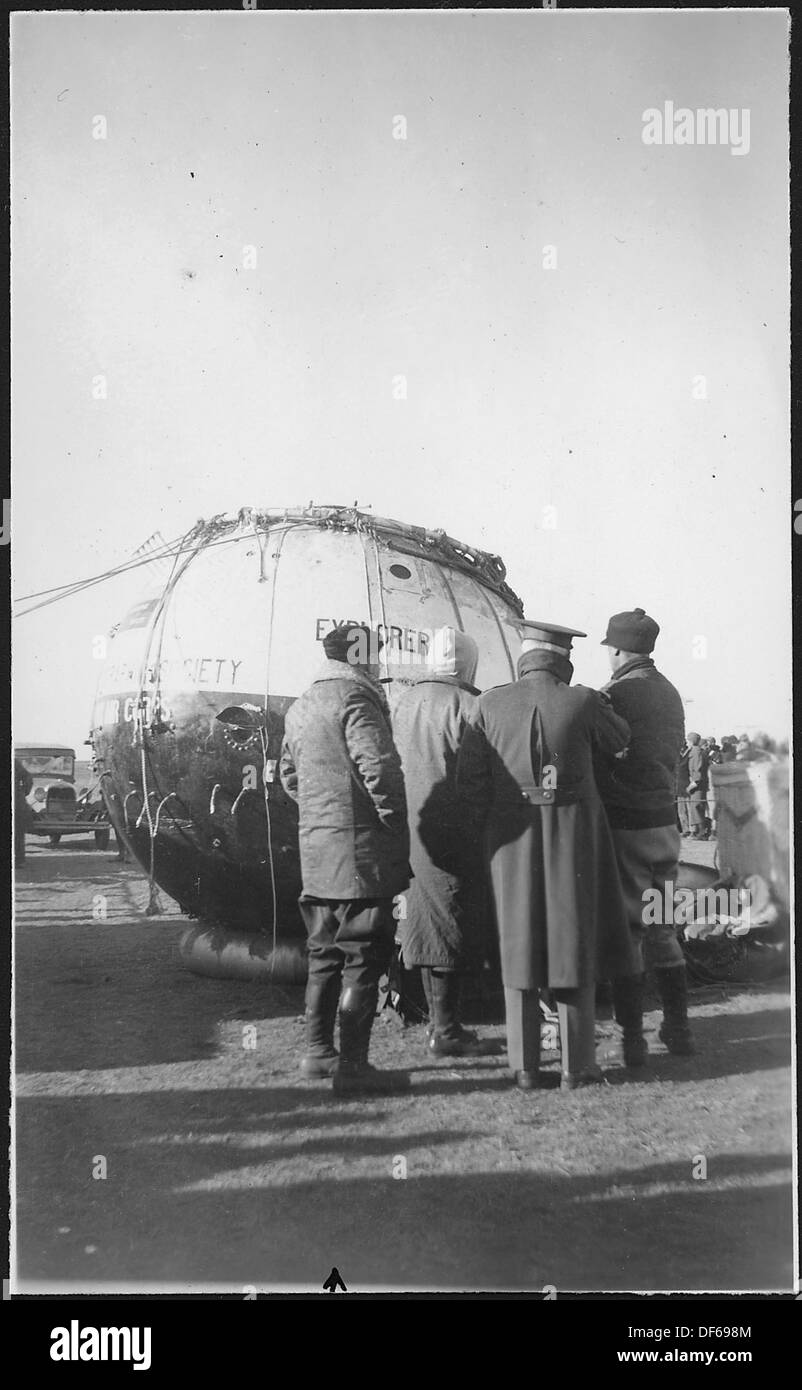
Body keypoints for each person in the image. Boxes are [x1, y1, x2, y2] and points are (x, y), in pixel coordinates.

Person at [458, 620, 639, 1090]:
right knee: (572, 940)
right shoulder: (582, 700)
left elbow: (469, 782)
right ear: (563, 657)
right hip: (574, 835)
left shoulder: (488, 703)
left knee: (517, 944)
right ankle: (576, 1065)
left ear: (524, 656)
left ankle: (524, 1066)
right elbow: (621, 740)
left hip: (509, 838)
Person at [279, 622, 411, 1095]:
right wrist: (394, 821)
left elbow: (288, 777)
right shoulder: (357, 700)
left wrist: (323, 815)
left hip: (317, 855)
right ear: (361, 656)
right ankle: (354, 1069)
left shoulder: (300, 706)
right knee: (363, 957)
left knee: (323, 955)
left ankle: (318, 1054)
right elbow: (378, 767)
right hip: (360, 857)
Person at [595, 607, 695, 1061]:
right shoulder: (671, 692)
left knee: (628, 934)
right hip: (665, 825)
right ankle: (678, 1029)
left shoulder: (615, 694)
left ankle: (630, 1039)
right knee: (662, 928)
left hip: (626, 827)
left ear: (616, 650)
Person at [391, 625, 492, 1056]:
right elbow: (477, 782)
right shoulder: (470, 705)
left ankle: (437, 1020)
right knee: (451, 924)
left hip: (407, 834)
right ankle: (446, 1028)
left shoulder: (402, 703)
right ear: (467, 663)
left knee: (423, 923)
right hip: (454, 835)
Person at [686, 732, 709, 839]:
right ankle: (700, 832)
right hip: (697, 783)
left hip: (697, 784)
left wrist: (692, 785)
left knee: (697, 807)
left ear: (691, 741)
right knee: (696, 807)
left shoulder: (696, 752)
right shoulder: (695, 751)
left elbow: (697, 771)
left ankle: (702, 832)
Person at [14, 757, 33, 868]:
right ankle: (18, 860)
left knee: (17, 832)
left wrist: (21, 792)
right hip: (17, 800)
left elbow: (27, 778)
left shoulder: (14, 762)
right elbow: (28, 778)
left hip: (15, 800)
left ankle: (18, 860)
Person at [676, 739, 692, 836]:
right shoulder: (680, 755)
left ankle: (689, 829)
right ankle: (686, 829)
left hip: (685, 785)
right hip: (680, 786)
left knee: (687, 808)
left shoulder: (686, 755)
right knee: (682, 809)